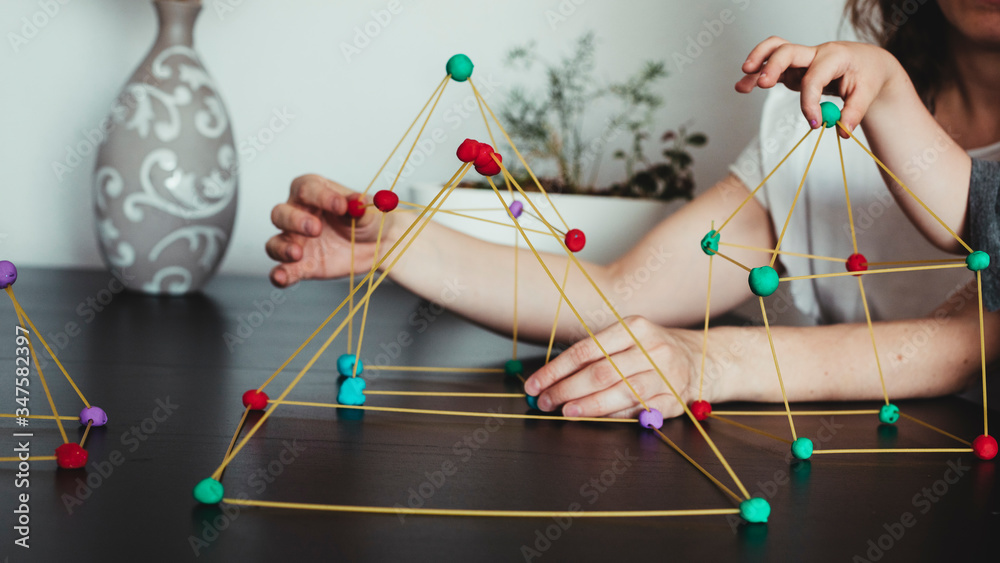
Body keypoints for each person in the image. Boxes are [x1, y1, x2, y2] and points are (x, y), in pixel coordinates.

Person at [266, 0, 999, 421]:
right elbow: (622, 293)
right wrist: (397, 241)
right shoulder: (820, 121)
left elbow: (960, 343)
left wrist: (705, 359)